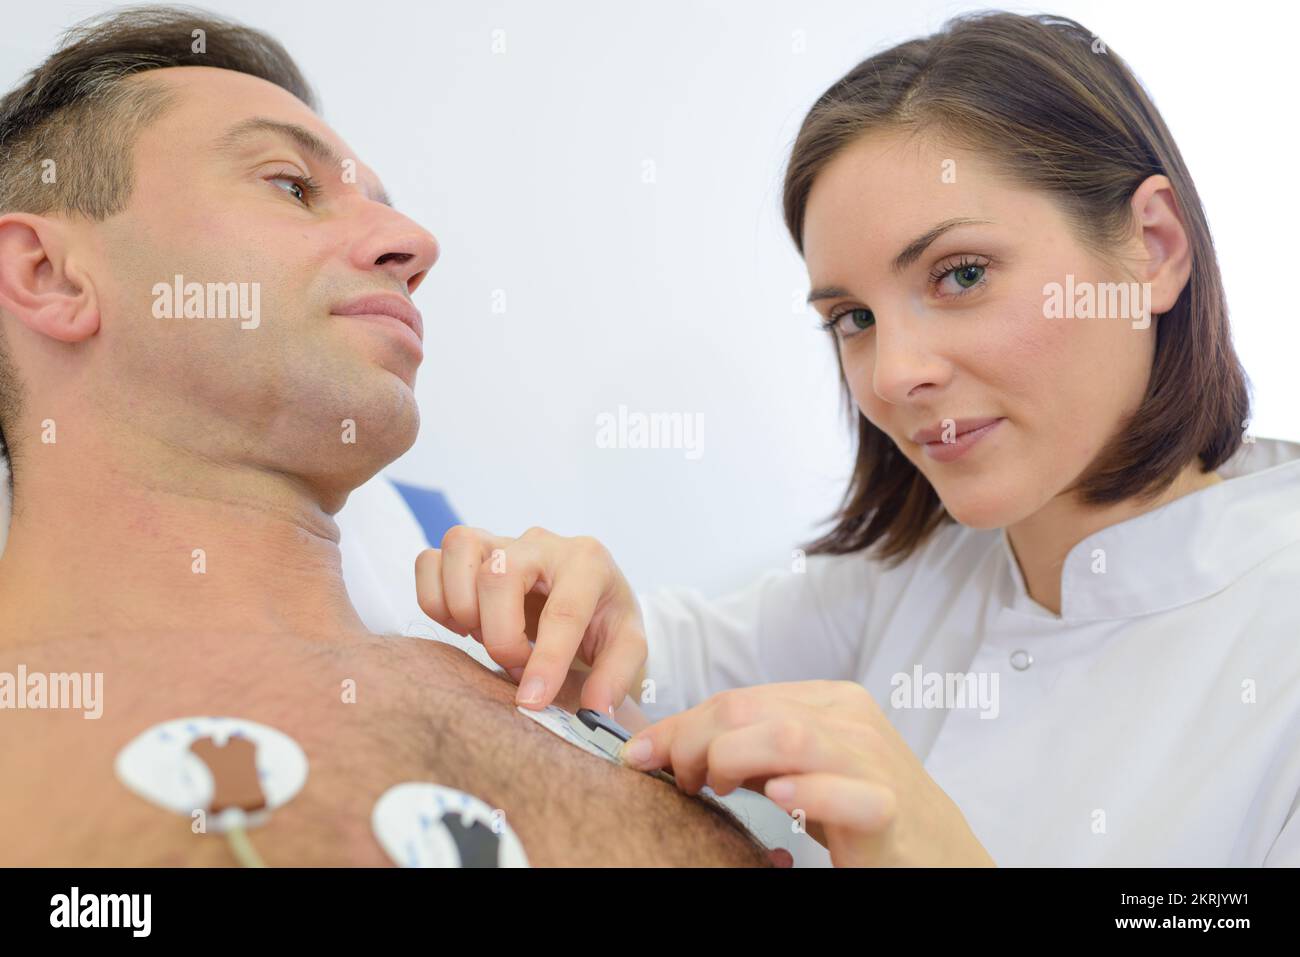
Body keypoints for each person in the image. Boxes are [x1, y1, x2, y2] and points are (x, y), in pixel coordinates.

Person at [416, 12, 1300, 867]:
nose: (891, 373)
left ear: (1153, 247)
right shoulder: (908, 582)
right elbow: (663, 658)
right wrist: (580, 610)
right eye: (853, 318)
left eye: (961, 274)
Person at [0, 6, 774, 867]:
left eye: (382, 205)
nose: (416, 243)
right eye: (292, 185)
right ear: (50, 274)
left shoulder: (569, 703)